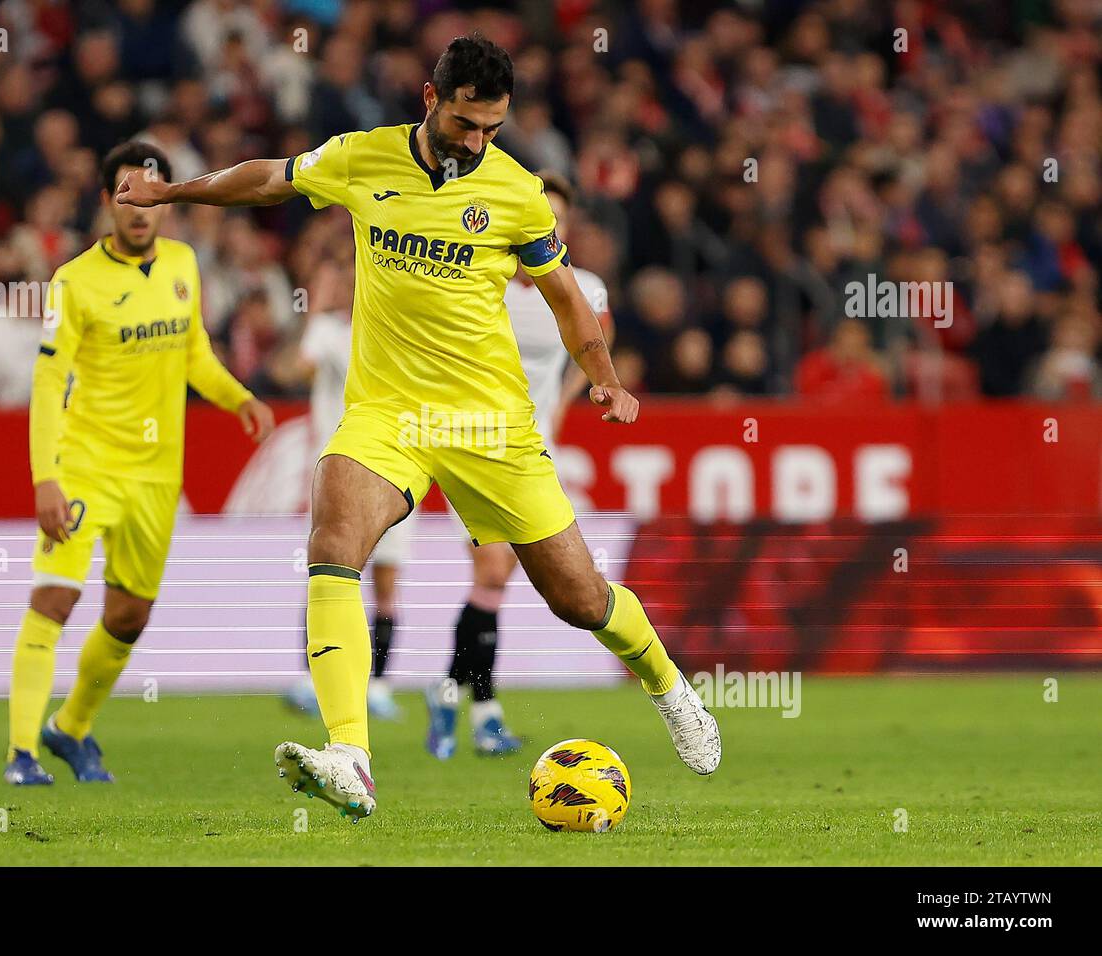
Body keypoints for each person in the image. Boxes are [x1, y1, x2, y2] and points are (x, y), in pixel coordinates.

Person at [117, 34, 721, 822]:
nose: (478, 144)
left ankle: (670, 688)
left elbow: (566, 295)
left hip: (490, 422)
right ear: (432, 100)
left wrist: (603, 377)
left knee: (580, 599)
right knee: (332, 541)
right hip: (387, 414)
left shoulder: (516, 191)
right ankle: (351, 756)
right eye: (467, 125)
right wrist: (176, 195)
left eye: (493, 130)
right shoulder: (363, 158)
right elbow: (270, 178)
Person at [4, 141, 276, 785]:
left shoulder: (183, 264)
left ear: (166, 204)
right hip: (86, 466)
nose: (138, 209)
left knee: (129, 615)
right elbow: (48, 384)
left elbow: (194, 355)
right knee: (54, 598)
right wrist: (45, 475)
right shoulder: (74, 282)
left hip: (157, 475)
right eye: (125, 195)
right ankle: (20, 754)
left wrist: (238, 397)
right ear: (106, 202)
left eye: (150, 196)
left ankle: (70, 728)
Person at [427, 170, 608, 759]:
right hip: (471, 444)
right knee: (494, 574)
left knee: (501, 581)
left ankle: (452, 693)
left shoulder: (585, 287)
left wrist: (564, 399)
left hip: (531, 448)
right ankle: (483, 713)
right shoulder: (487, 279)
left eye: (558, 215)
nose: (548, 223)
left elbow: (594, 345)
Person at [286, 256, 404, 721]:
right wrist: (314, 308)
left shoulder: (396, 334)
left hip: (392, 466)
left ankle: (379, 684)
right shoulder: (329, 332)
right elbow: (299, 369)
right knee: (329, 571)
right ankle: (313, 678)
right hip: (336, 467)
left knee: (386, 580)